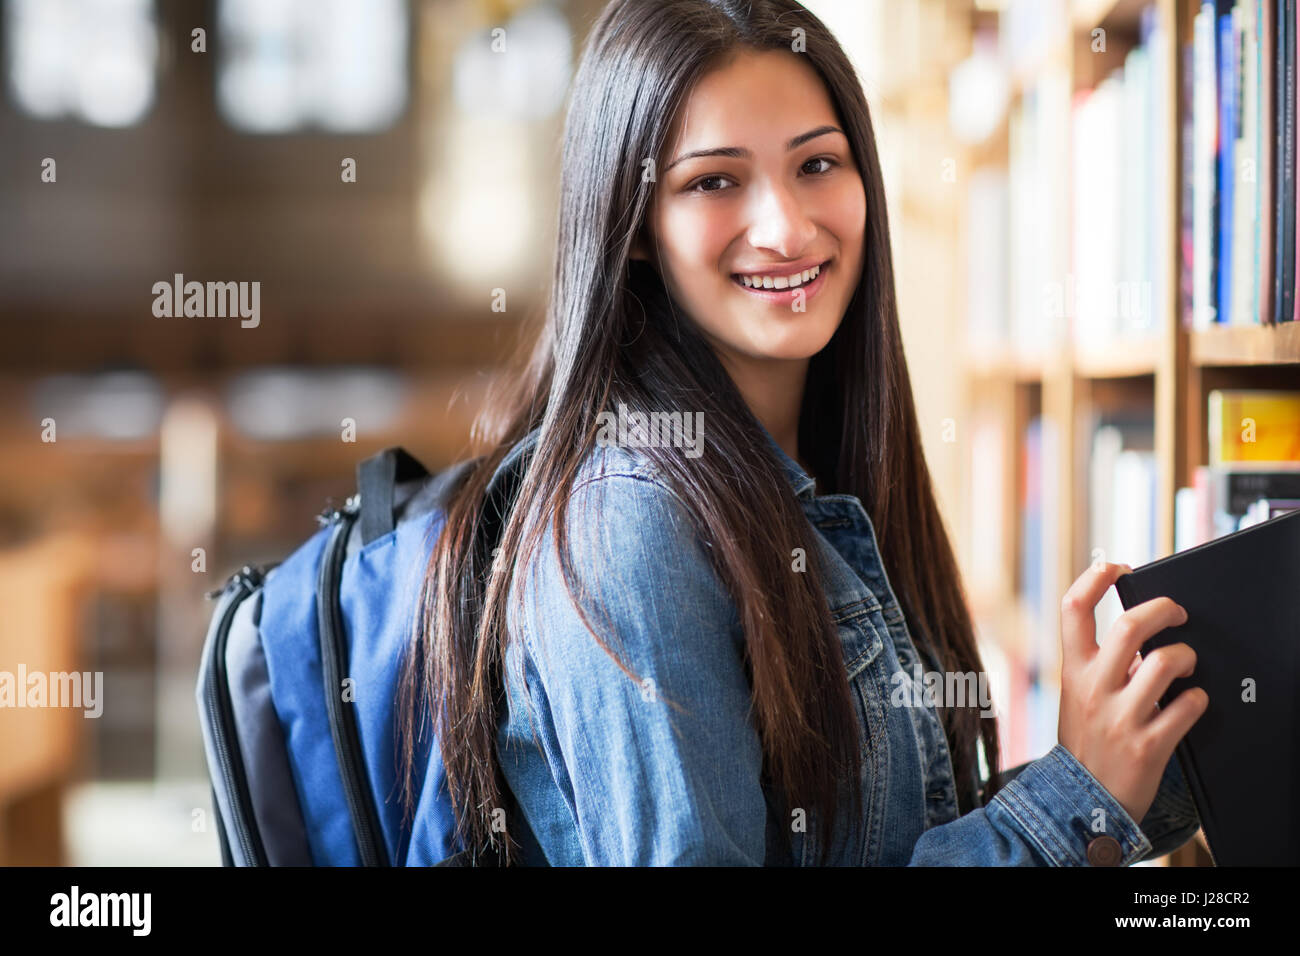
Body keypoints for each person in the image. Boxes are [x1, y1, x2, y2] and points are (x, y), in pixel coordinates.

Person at [397, 0, 1206, 866]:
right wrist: (1073, 802)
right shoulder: (626, 525)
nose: (786, 228)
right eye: (714, 180)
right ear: (633, 228)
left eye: (817, 163)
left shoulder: (821, 465)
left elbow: (888, 841)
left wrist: (1126, 776)